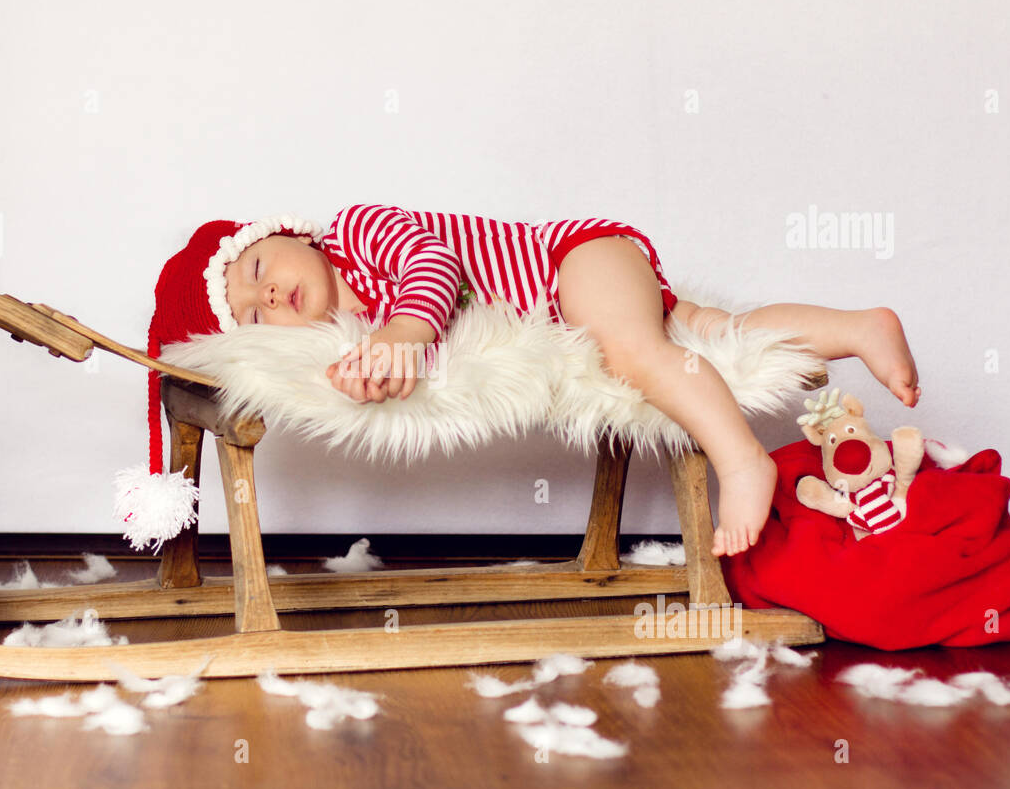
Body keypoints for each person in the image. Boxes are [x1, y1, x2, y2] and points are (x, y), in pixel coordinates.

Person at [143, 206, 921, 557]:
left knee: (635, 355)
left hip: (570, 260)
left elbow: (436, 269)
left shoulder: (358, 230)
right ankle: (858, 327)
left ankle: (741, 459)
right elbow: (393, 370)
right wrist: (373, 373)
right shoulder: (343, 335)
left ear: (287, 233)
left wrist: (405, 335)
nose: (269, 294)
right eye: (251, 314)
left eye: (257, 270)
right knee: (715, 331)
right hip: (580, 290)